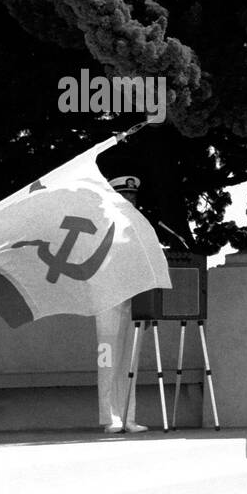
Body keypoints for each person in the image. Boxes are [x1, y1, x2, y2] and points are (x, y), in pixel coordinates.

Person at [94, 176, 150, 435]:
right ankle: (109, 417)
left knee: (129, 362)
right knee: (107, 359)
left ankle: (129, 415)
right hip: (107, 299)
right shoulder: (101, 223)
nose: (131, 200)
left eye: (134, 197)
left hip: (132, 299)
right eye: (125, 196)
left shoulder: (140, 226)